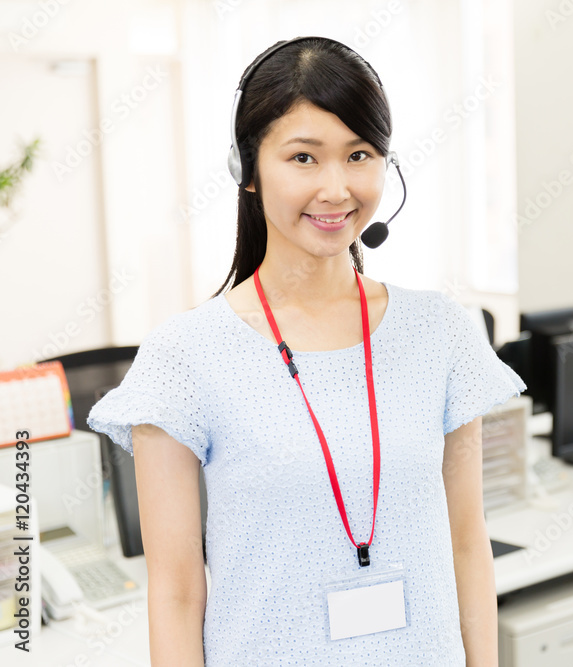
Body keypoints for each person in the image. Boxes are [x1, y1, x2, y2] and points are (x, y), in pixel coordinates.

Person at [87, 36, 525, 667]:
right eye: (303, 157)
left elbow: (466, 542)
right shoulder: (184, 357)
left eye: (359, 155)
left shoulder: (441, 332)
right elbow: (179, 592)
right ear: (248, 170)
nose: (336, 188)